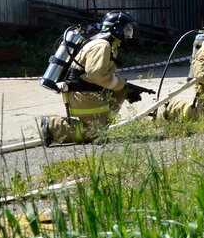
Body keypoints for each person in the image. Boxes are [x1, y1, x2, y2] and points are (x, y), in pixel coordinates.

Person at [37, 11, 151, 145]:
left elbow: (109, 76)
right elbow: (96, 74)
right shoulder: (102, 45)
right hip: (84, 95)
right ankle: (52, 126)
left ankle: (98, 125)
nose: (128, 32)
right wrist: (120, 85)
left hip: (87, 93)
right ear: (117, 28)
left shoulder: (107, 45)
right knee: (95, 134)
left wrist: (125, 90)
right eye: (127, 28)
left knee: (102, 128)